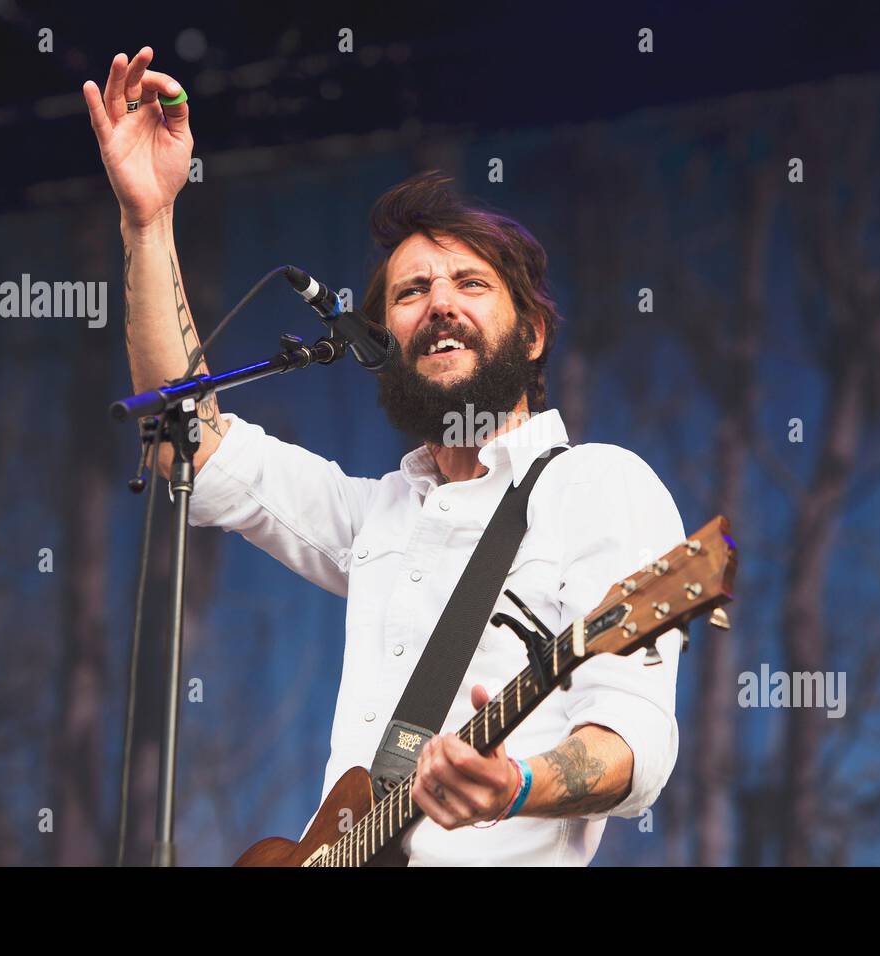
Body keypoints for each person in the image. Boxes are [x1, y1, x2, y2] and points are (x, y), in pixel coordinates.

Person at [84, 47, 687, 865]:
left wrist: (516, 784)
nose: (440, 301)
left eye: (471, 284)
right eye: (411, 293)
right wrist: (147, 221)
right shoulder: (379, 516)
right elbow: (189, 437)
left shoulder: (598, 485)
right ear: (387, 345)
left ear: (533, 334)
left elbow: (634, 739)